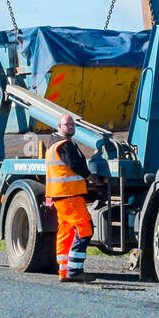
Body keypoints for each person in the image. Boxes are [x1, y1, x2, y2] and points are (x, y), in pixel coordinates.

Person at [45, 114, 96, 283]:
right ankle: (75, 270)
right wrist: (91, 177)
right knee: (85, 229)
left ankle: (64, 272)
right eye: (67, 124)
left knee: (65, 233)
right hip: (70, 195)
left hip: (61, 196)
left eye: (72, 124)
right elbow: (75, 165)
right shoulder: (64, 145)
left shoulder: (53, 146)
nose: (71, 126)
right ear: (59, 127)